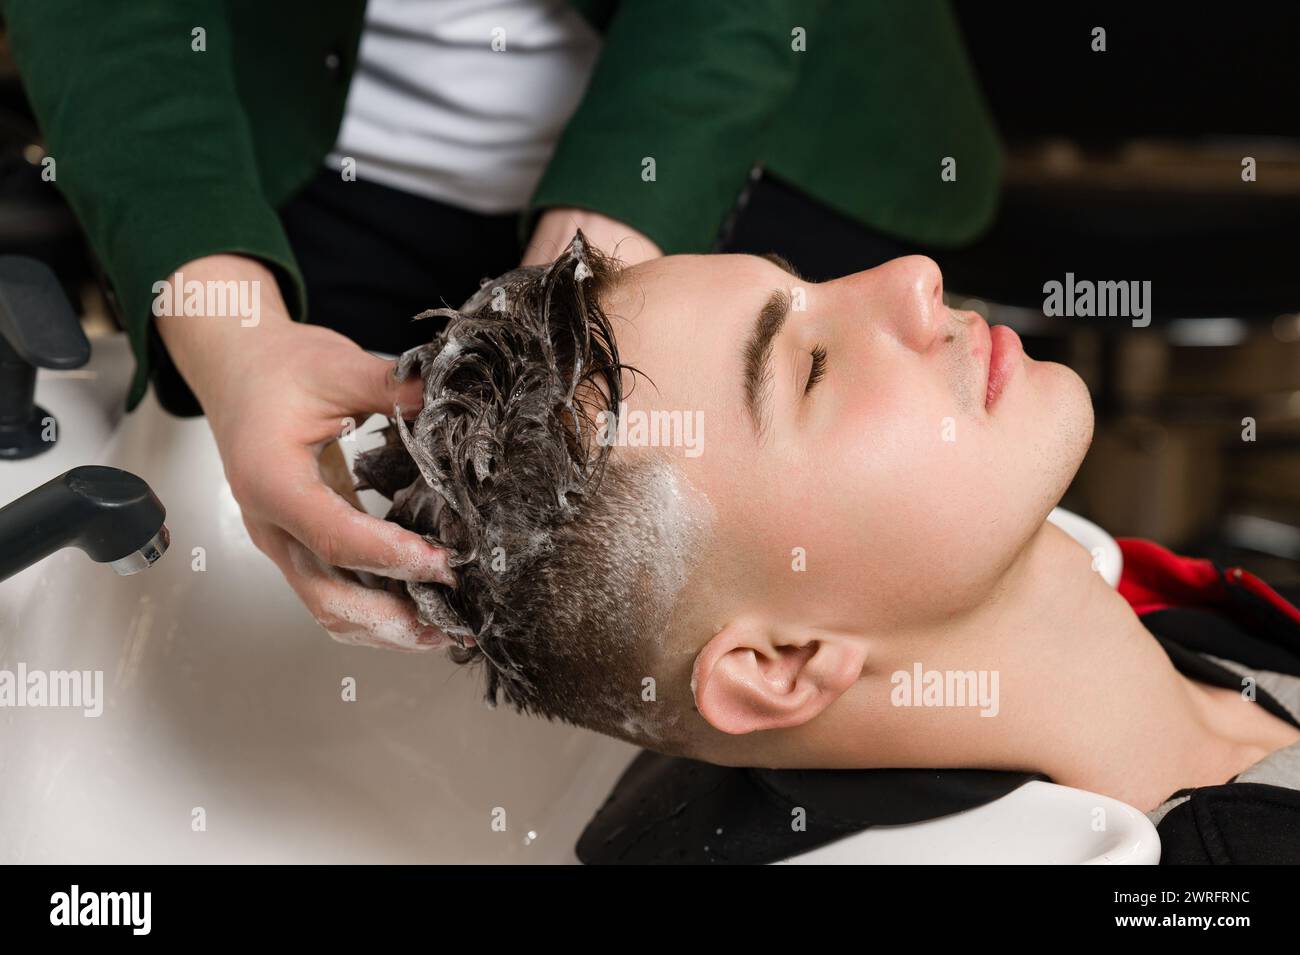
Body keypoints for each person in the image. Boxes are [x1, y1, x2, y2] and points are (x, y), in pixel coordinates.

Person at [2, 0, 1000, 648]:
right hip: (310, 159)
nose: (919, 289)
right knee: (351, 596)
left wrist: (575, 300)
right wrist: (236, 341)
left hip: (766, 124)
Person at [355, 234, 1300, 860]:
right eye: (812, 367)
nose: (914, 276)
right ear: (779, 663)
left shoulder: (1165, 611)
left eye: (806, 283)